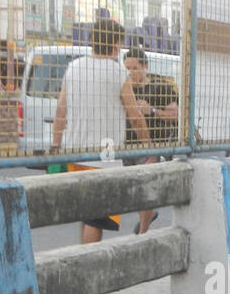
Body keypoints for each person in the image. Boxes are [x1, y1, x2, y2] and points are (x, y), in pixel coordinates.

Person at [51, 17, 150, 243]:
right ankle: (87, 264)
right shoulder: (117, 73)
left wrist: (55, 146)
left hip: (74, 152)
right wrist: (147, 145)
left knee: (85, 214)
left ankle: (82, 257)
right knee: (97, 218)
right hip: (104, 157)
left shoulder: (73, 67)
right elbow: (134, 116)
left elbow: (60, 112)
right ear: (115, 44)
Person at [123, 45, 179, 234]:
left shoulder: (160, 87)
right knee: (135, 190)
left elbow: (175, 114)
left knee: (146, 189)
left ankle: (143, 232)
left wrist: (152, 110)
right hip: (128, 146)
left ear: (145, 67)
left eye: (135, 68)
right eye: (127, 68)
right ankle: (149, 214)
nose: (131, 73)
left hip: (151, 146)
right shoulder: (124, 89)